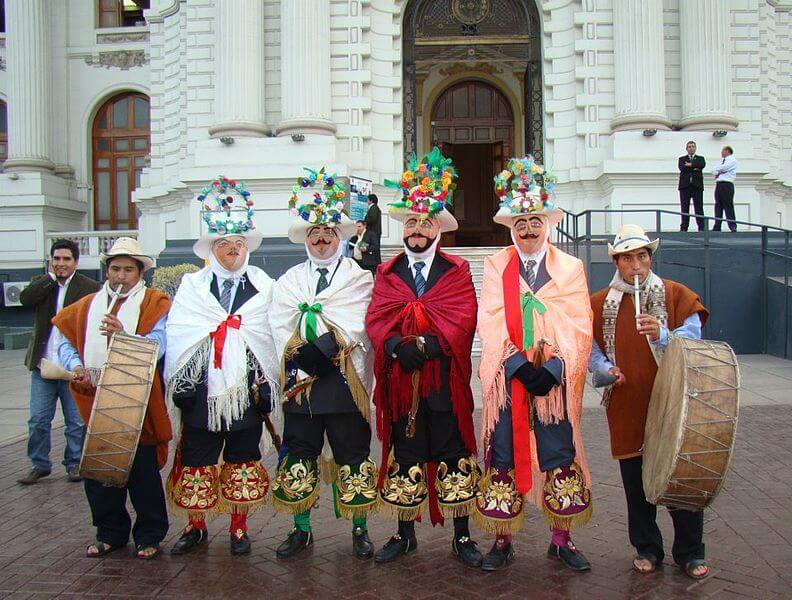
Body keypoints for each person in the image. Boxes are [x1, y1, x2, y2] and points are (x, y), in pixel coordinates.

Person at [475, 156, 593, 572]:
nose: (527, 229)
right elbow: (490, 319)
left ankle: (562, 539)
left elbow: (579, 323)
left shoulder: (571, 268)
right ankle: (502, 538)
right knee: (503, 453)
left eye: (534, 221)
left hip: (553, 382)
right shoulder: (497, 266)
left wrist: (554, 369)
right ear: (511, 226)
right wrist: (517, 365)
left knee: (558, 453)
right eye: (520, 222)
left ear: (547, 224)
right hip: (510, 378)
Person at [367, 147, 482, 568]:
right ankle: (404, 534)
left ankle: (462, 535)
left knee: (454, 453)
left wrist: (432, 345)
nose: (417, 229)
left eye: (425, 223)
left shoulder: (456, 271)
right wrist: (395, 347)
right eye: (411, 223)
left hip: (443, 382)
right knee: (407, 454)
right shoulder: (387, 273)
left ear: (438, 228)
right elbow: (377, 318)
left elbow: (464, 316)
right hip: (403, 384)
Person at [589, 224, 710, 580]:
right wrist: (607, 369)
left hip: (674, 402)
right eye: (627, 258)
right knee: (636, 479)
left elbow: (694, 340)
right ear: (616, 262)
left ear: (650, 258)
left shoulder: (675, 294)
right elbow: (592, 353)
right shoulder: (599, 303)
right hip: (627, 404)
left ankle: (690, 551)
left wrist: (663, 334)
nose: (636, 265)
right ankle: (647, 547)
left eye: (642, 256)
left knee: (681, 475)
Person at [269, 167, 377, 560]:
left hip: (344, 383)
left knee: (353, 457)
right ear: (306, 239)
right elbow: (278, 324)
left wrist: (327, 347)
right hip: (302, 383)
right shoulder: (289, 280)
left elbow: (359, 324)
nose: (321, 239)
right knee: (299, 456)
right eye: (314, 233)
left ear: (339, 238)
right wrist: (302, 355)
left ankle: (359, 529)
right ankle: (301, 529)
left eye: (328, 232)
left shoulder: (358, 278)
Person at [166, 177, 277, 556]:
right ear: (212, 250)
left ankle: (238, 527)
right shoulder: (193, 287)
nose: (232, 249)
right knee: (197, 462)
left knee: (241, 461)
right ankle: (195, 526)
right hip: (202, 393)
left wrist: (266, 384)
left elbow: (269, 338)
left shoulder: (263, 287)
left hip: (246, 394)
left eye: (238, 244)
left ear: (247, 248)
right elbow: (181, 334)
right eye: (224, 244)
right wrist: (183, 383)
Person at [52, 237, 172, 560]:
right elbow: (64, 341)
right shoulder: (87, 305)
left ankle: (149, 534)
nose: (121, 276)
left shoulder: (154, 303)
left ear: (141, 272)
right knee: (99, 470)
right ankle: (110, 533)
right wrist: (77, 367)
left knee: (143, 472)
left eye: (128, 270)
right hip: (96, 397)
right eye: (115, 269)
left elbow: (161, 343)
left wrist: (125, 336)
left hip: (137, 399)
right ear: (107, 270)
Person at [17, 239, 100, 485]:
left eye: (66, 259)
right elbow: (25, 299)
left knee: (75, 421)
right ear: (50, 260)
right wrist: (50, 278)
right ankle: (39, 464)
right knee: (38, 419)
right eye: (56, 259)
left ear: (76, 262)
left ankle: (74, 463)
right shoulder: (43, 283)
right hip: (43, 364)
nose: (61, 263)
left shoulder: (89, 287)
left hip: (73, 366)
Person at [677, 141, 706, 232]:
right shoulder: (682, 159)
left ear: (695, 148)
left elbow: (701, 165)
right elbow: (682, 168)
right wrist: (695, 168)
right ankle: (684, 227)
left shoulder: (700, 158)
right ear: (686, 149)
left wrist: (690, 165)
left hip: (697, 186)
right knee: (684, 207)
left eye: (693, 146)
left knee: (699, 207)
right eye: (689, 147)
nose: (691, 148)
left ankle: (701, 227)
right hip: (685, 186)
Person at [712, 146, 737, 232]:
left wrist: (719, 171)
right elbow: (714, 171)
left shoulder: (732, 160)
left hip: (727, 184)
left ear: (727, 151)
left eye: (722, 151)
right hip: (719, 184)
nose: (721, 153)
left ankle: (732, 225)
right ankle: (717, 226)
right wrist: (719, 171)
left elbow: (723, 168)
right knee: (718, 205)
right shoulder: (722, 161)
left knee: (728, 205)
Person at [364, 193, 383, 265]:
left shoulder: (374, 208)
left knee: (374, 249)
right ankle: (376, 264)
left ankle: (376, 264)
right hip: (375, 231)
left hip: (373, 231)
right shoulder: (374, 208)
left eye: (367, 199)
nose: (367, 201)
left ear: (371, 200)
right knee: (375, 248)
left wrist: (365, 222)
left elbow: (372, 219)